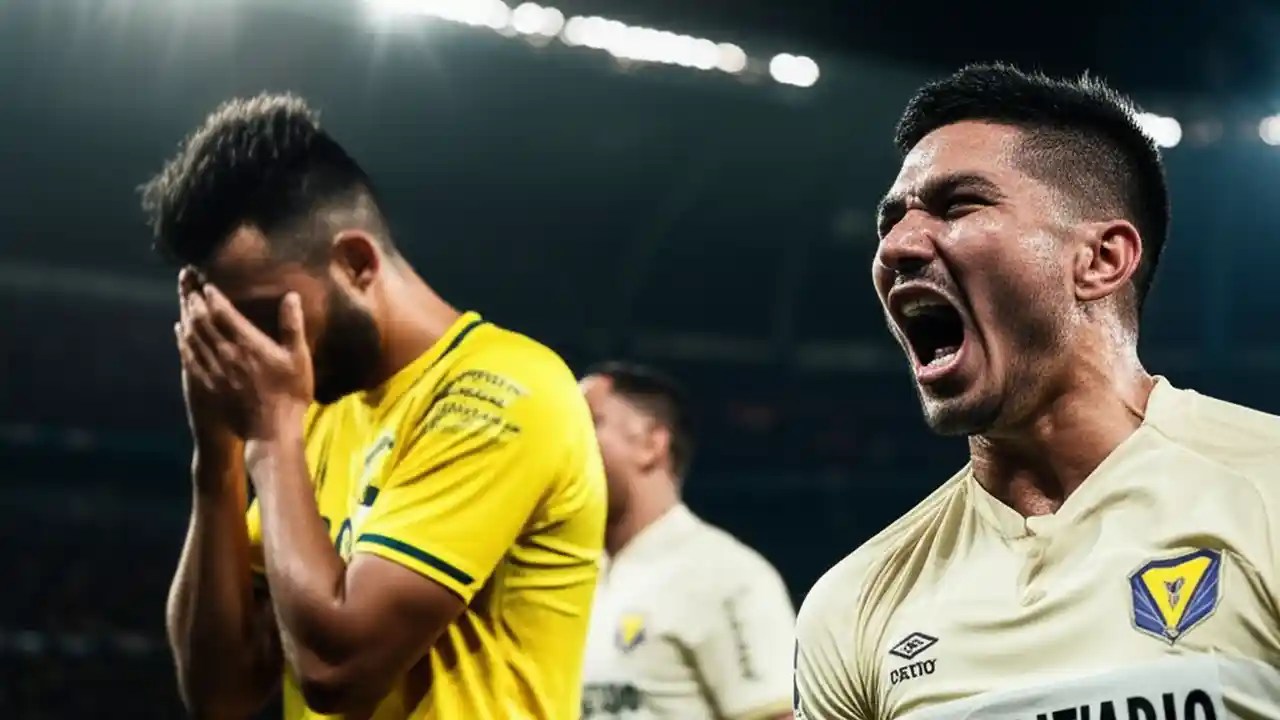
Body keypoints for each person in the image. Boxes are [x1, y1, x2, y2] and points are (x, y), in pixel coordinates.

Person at [793, 63, 1280, 720]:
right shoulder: (855, 603)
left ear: (1102, 260)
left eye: (958, 204)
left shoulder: (1265, 488)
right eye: (892, 220)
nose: (899, 245)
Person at [145, 93, 607, 719]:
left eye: (260, 315)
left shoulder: (504, 390)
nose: (245, 352)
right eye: (224, 326)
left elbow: (337, 672)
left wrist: (270, 438)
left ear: (357, 263)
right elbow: (221, 695)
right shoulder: (304, 410)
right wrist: (216, 458)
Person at [579, 361, 796, 720]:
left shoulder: (728, 575)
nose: (565, 444)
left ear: (651, 444)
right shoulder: (564, 576)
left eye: (589, 424)